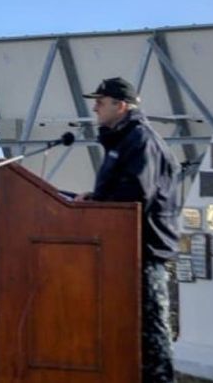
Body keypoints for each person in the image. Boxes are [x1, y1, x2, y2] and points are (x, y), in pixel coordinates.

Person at [77, 77, 180, 382]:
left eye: (101, 101)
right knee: (129, 335)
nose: (95, 108)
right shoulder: (124, 140)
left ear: (120, 106)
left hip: (143, 253)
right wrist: (94, 199)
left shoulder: (140, 141)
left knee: (151, 335)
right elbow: (123, 192)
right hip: (125, 251)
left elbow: (135, 197)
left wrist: (98, 205)